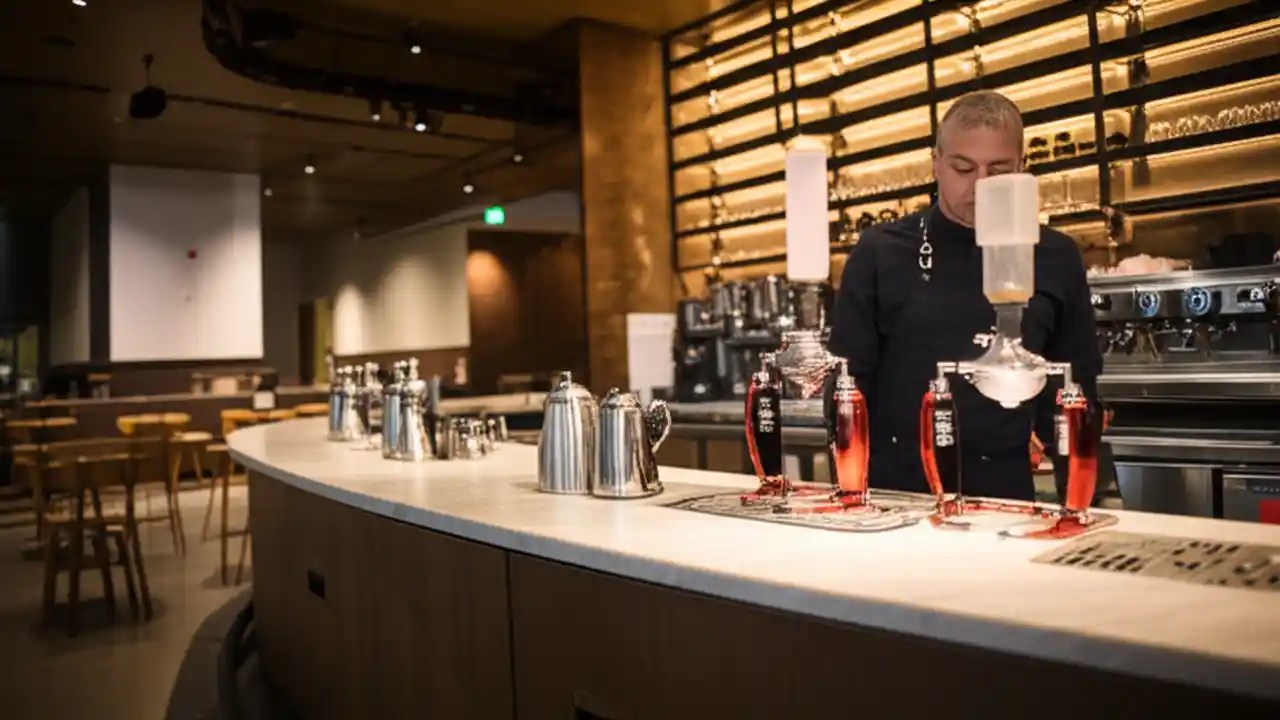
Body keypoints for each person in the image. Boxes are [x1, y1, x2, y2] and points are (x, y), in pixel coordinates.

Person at [828, 90, 1104, 502]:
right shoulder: (880, 251)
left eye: (998, 169)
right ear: (936, 164)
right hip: (897, 496)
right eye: (963, 168)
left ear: (1022, 166)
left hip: (1005, 497)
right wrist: (851, 491)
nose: (980, 186)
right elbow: (846, 389)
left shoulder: (1055, 255)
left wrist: (1082, 501)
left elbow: (1075, 392)